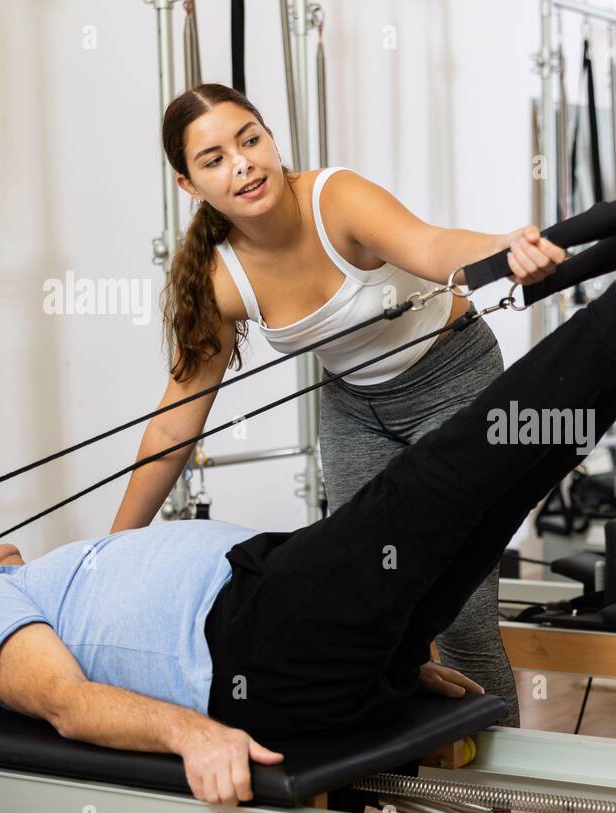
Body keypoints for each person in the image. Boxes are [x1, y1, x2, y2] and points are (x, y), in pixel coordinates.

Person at [0, 123, 616, 806]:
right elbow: (63, 702)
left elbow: (431, 244)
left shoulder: (53, 572)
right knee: (455, 481)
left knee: (496, 486)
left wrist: (389, 661)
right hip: (257, 639)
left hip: (293, 615)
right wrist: (194, 733)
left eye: (249, 140)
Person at [110, 83, 568, 728]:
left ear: (270, 139)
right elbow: (174, 423)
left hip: (456, 381)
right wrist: (111, 551)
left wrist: (503, 248)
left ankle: (495, 798)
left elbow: (433, 248)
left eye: (249, 139)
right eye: (213, 159)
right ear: (190, 185)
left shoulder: (336, 200)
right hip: (356, 411)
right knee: (361, 599)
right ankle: (386, 780)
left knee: (461, 611)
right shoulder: (218, 279)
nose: (242, 164)